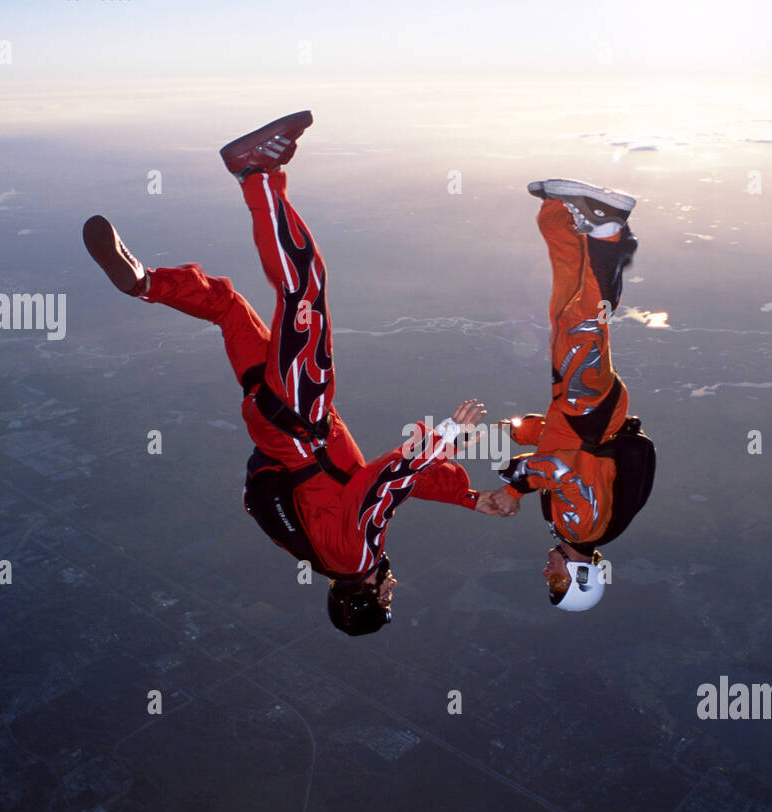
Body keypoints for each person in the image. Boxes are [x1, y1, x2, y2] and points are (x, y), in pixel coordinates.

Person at [82, 110, 503, 636]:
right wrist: (467, 497)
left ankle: (255, 173)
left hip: (304, 415)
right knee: (229, 308)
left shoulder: (356, 556)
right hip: (269, 418)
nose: (393, 589)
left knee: (304, 287)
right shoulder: (321, 554)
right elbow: (372, 487)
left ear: (366, 596)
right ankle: (145, 283)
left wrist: (445, 437)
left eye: (386, 600)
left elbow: (383, 486)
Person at [488, 179, 656, 612]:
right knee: (585, 322)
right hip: (589, 414)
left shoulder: (569, 527)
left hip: (576, 414)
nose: (548, 575)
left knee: (567, 309)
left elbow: (563, 453)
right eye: (558, 583)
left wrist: (518, 431)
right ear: (581, 576)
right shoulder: (582, 528)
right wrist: (515, 486)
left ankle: (561, 214)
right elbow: (566, 471)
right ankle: (609, 228)